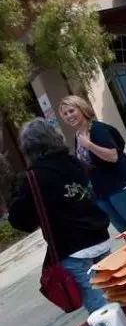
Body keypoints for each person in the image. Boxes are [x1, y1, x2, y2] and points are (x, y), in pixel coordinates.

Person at [8, 118, 110, 314]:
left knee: (97, 302)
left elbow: (19, 220)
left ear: (29, 147)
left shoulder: (34, 176)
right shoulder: (74, 162)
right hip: (100, 235)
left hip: (73, 248)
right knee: (114, 291)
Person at [59, 95, 126, 233]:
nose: (69, 115)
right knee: (125, 231)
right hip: (100, 191)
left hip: (119, 184)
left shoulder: (98, 129)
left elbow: (113, 156)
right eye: (65, 113)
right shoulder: (78, 135)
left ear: (81, 109)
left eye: (71, 111)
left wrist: (89, 145)